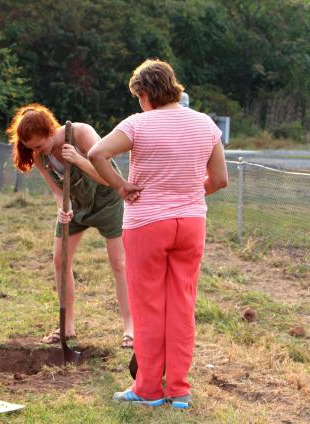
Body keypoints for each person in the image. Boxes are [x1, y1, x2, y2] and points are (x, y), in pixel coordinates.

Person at [88, 59, 228, 408]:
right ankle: (179, 390)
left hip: (147, 224)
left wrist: (121, 185)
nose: (139, 103)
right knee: (182, 304)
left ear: (147, 94)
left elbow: (96, 153)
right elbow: (221, 179)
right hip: (192, 222)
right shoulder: (205, 124)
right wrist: (189, 194)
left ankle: (148, 389)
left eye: (139, 97)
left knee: (148, 306)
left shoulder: (138, 124)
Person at [7, 103, 134, 348]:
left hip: (107, 201)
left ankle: (130, 327)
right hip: (75, 205)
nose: (37, 151)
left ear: (50, 130)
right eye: (31, 147)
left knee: (119, 263)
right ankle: (67, 326)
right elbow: (56, 191)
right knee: (60, 260)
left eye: (39, 144)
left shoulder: (81, 134)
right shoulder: (39, 155)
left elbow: (107, 178)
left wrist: (77, 159)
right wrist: (62, 208)